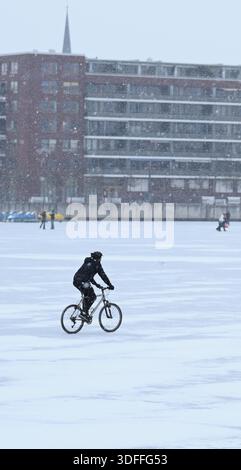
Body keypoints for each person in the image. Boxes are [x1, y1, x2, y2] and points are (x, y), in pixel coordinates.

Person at [73, 251, 114, 320]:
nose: (101, 260)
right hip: (83, 282)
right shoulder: (96, 265)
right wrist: (110, 285)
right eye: (100, 258)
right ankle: (84, 313)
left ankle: (84, 312)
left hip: (76, 280)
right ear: (98, 258)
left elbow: (89, 277)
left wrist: (97, 285)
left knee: (87, 295)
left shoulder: (88, 262)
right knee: (92, 296)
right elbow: (103, 276)